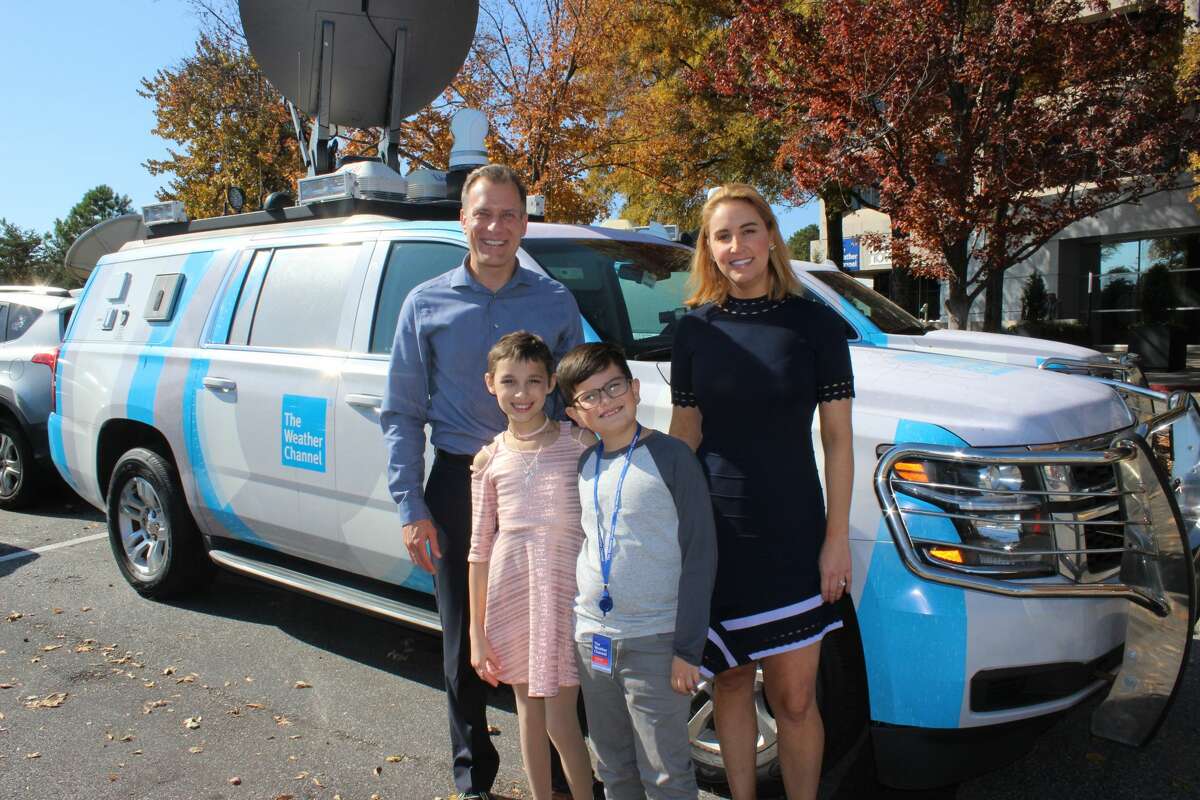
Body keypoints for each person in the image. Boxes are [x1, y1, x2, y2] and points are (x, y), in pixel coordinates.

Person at [381, 164, 584, 800]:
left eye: (508, 215)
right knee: (467, 635)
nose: (495, 228)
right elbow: (401, 411)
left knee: (558, 633)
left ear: (525, 222)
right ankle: (475, 778)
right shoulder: (426, 303)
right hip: (458, 483)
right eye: (483, 214)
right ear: (462, 219)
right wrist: (411, 504)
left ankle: (574, 773)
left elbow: (579, 398)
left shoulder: (553, 301)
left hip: (542, 487)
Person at [668, 184, 855, 800]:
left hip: (794, 533)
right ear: (709, 249)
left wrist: (836, 541)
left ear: (772, 235)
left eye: (748, 230)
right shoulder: (694, 330)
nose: (737, 245)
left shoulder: (816, 325)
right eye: (722, 235)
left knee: (796, 699)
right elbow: (686, 433)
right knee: (727, 681)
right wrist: (668, 527)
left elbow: (837, 442)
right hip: (718, 533)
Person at [558, 342, 718, 800]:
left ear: (635, 388)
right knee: (613, 767)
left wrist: (688, 649)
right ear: (576, 413)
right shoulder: (586, 464)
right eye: (590, 396)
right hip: (595, 640)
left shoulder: (672, 457)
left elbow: (700, 554)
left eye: (613, 387)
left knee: (665, 772)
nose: (605, 401)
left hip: (657, 640)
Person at [467, 332, 595, 800]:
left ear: (550, 385)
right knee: (527, 714)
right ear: (490, 384)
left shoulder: (579, 442)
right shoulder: (488, 459)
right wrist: (478, 633)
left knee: (562, 720)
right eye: (510, 382)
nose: (521, 394)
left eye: (533, 382)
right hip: (513, 597)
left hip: (567, 599)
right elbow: (479, 551)